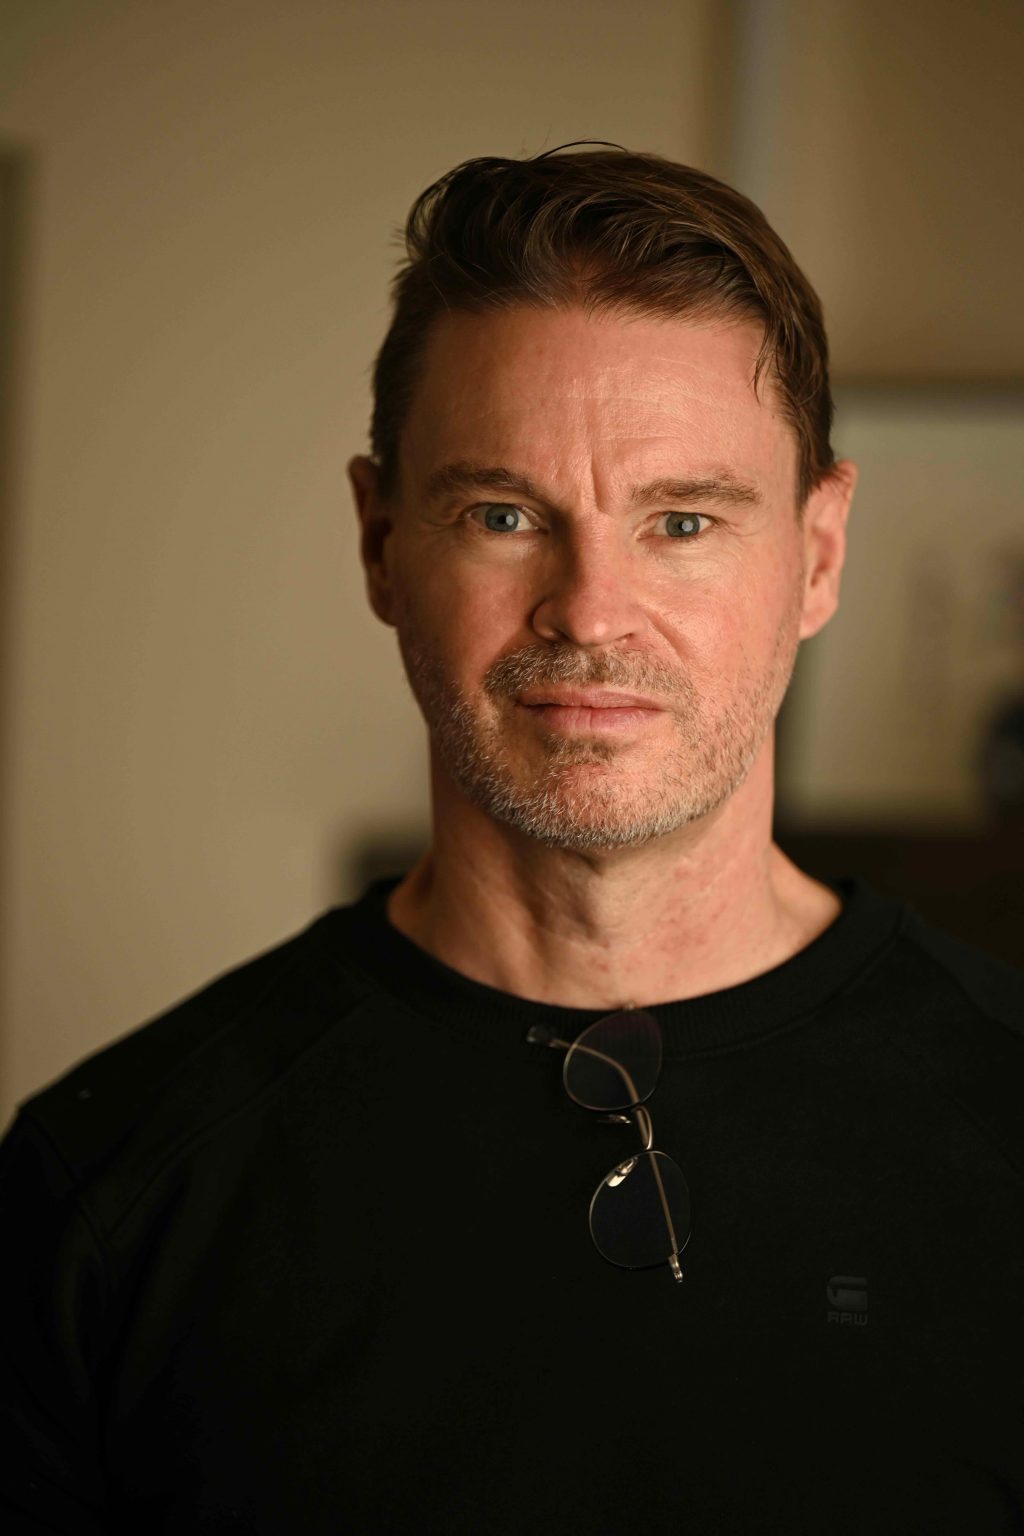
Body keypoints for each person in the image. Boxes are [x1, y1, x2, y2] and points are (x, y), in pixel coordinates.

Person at [2, 145, 1022, 1534]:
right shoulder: (111, 1188)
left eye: (681, 521)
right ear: (380, 541)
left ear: (820, 554)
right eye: (503, 515)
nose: (589, 609)